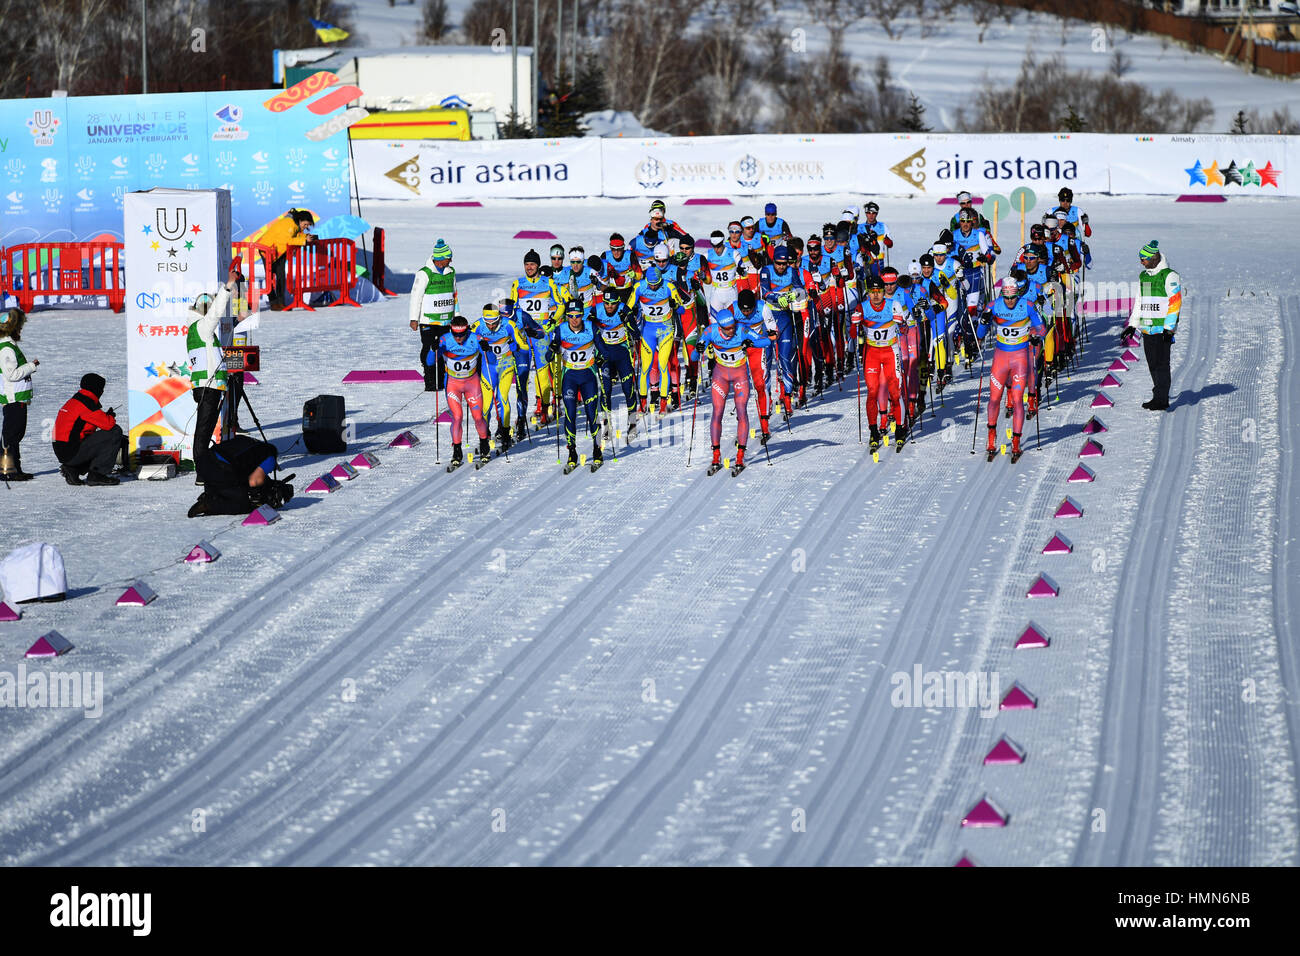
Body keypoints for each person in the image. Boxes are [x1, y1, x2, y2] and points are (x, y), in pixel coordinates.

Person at [978, 276, 1046, 462]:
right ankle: (991, 437)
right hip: (1000, 358)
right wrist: (983, 322)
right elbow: (979, 334)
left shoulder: (1028, 306)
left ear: (1018, 294)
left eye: (1013, 297)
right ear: (1002, 295)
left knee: (1017, 400)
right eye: (1007, 297)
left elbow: (1042, 329)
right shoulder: (993, 305)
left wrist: (1035, 335)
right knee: (994, 399)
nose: (1010, 301)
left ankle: (1016, 442)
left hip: (1019, 359)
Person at [187, 262, 239, 481]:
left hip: (207, 386)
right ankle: (202, 473)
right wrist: (227, 288)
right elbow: (216, 312)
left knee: (205, 431)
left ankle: (205, 469)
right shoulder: (202, 327)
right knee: (203, 433)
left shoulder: (197, 331)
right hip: (208, 387)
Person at [697, 302, 754, 475]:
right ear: (720, 326)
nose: (731, 330)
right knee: (717, 412)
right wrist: (699, 347)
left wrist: (751, 343)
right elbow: (695, 352)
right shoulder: (710, 331)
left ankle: (740, 457)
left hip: (740, 375)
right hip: (720, 375)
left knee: (742, 410)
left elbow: (765, 340)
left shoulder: (741, 329)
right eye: (727, 328)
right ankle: (715, 456)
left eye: (732, 327)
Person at [1125, 240, 1182, 411]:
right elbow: (1140, 301)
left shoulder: (1169, 275)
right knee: (1152, 365)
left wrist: (1169, 328)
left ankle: (1162, 399)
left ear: (1154, 257)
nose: (1141, 262)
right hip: (1147, 328)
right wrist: (1133, 324)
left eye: (1144, 258)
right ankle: (1157, 396)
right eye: (1140, 259)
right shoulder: (1144, 276)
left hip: (1162, 330)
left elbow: (1175, 303)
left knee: (1162, 364)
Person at [512, 249, 565, 425]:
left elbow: (561, 306)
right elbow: (512, 311)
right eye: (527, 264)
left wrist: (552, 321)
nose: (529, 267)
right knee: (523, 375)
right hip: (525, 335)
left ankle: (545, 409)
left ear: (538, 265)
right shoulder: (517, 284)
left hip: (542, 334)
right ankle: (521, 415)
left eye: (532, 264)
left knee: (543, 374)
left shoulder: (548, 282)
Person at [855, 275, 908, 451]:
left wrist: (901, 324)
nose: (876, 295)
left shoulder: (894, 305)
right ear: (868, 292)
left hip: (891, 351)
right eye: (872, 291)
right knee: (872, 392)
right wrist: (854, 326)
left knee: (895, 391)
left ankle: (900, 429)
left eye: (879, 291)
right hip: (872, 353)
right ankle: (873, 431)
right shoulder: (861, 307)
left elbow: (905, 329)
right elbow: (852, 335)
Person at [550, 304, 604, 472]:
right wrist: (552, 349)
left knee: (592, 414)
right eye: (571, 316)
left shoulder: (591, 327)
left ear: (583, 315)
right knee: (570, 414)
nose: (574, 319)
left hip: (588, 376)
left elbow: (603, 348)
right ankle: (572, 453)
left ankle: (597, 451)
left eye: (578, 315)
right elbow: (548, 354)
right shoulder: (561, 329)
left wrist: (602, 357)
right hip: (570, 378)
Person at [187, 435, 292, 517]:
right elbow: (254, 481)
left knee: (230, 485)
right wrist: (260, 498)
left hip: (205, 461)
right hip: (220, 468)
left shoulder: (253, 445)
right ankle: (210, 505)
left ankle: (210, 495)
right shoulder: (270, 457)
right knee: (244, 501)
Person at [436, 315, 492, 469]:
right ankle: (457, 451)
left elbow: (491, 359)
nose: (459, 338)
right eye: (456, 335)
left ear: (467, 330)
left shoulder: (475, 338)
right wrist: (436, 350)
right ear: (451, 331)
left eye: (462, 335)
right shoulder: (445, 340)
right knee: (458, 417)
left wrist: (486, 348)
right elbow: (429, 361)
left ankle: (484, 444)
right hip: (453, 384)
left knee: (478, 417)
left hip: (472, 383)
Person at [52, 373, 127, 486]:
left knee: (100, 438)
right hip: (71, 451)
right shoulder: (87, 404)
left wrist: (104, 417)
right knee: (115, 432)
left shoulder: (76, 400)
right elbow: (109, 425)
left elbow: (85, 426)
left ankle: (73, 469)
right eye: (101, 389)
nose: (102, 392)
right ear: (97, 389)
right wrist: (109, 416)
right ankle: (97, 474)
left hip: (64, 450)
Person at [588, 291, 641, 441]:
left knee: (627, 388)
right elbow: (586, 332)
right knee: (606, 390)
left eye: (613, 303)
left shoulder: (624, 309)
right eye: (606, 303)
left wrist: (628, 322)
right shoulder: (596, 310)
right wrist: (590, 321)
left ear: (618, 302)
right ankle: (607, 426)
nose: (609, 306)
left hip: (622, 352)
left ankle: (632, 424)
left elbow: (636, 334)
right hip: (604, 353)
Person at [408, 238, 457, 392]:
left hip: (446, 321)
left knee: (443, 349)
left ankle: (441, 381)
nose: (451, 260)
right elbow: (416, 296)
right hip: (428, 320)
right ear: (441, 259)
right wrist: (414, 318)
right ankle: (430, 381)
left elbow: (454, 295)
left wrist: (457, 316)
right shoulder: (424, 273)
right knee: (429, 349)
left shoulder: (451, 272)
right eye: (449, 257)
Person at [0, 307, 37, 481]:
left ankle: (14, 469)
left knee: (15, 435)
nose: (21, 330)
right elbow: (11, 374)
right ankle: (7, 470)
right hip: (14, 398)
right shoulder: (6, 348)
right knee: (11, 435)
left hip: (18, 398)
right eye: (19, 327)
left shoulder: (8, 345)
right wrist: (31, 366)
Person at [263, 209, 315, 310]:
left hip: (279, 251)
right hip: (267, 249)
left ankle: (281, 302)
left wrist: (305, 236)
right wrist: (304, 240)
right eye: (306, 224)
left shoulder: (295, 225)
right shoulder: (288, 224)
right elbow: (288, 240)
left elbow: (295, 236)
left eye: (308, 225)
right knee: (270, 277)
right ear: (300, 220)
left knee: (281, 277)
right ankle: (274, 303)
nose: (306, 227)